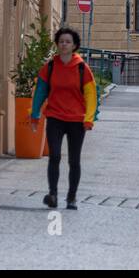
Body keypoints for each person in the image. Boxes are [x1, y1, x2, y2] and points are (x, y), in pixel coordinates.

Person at [29, 26, 97, 210]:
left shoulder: (83, 68)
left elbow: (91, 95)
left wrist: (89, 118)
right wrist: (35, 114)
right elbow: (41, 92)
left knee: (74, 160)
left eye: (68, 42)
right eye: (61, 41)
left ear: (74, 45)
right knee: (55, 156)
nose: (64, 44)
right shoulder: (50, 67)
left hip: (77, 120)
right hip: (55, 118)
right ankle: (53, 194)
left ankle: (72, 197)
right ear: (57, 44)